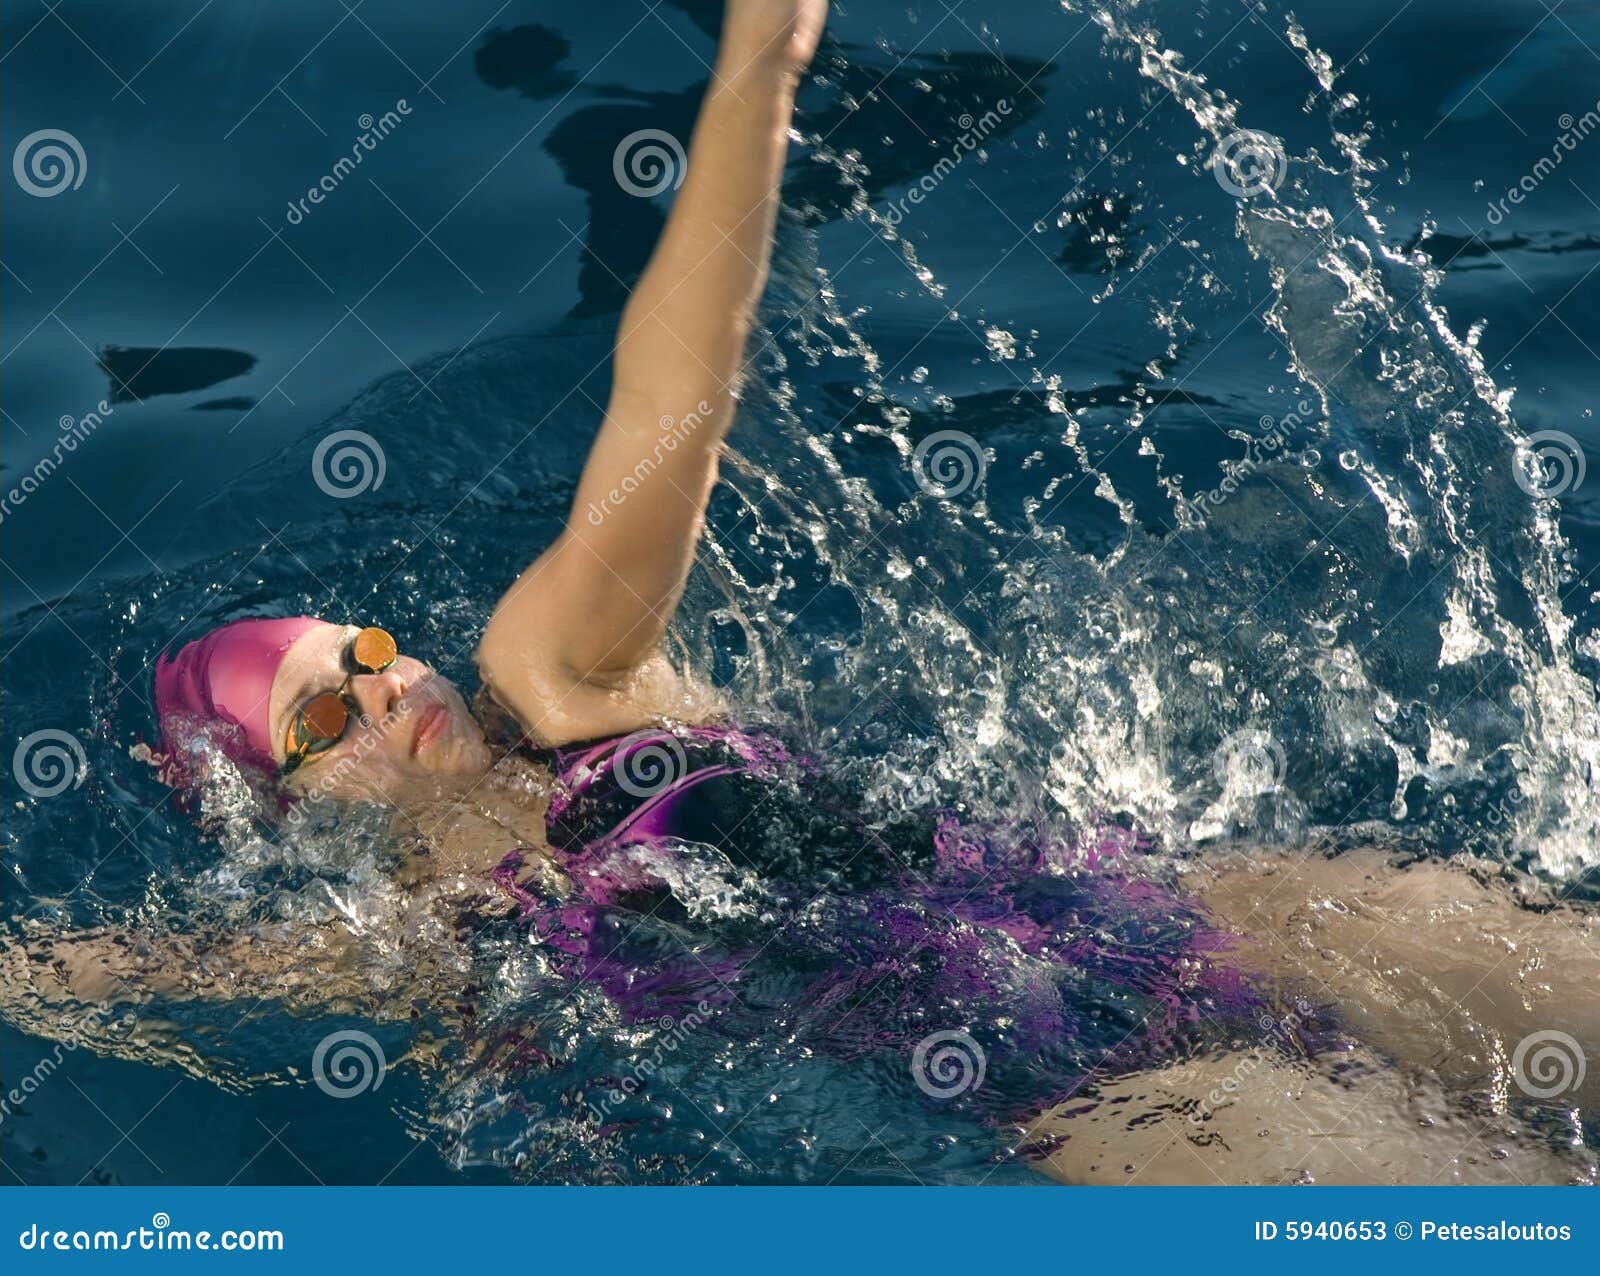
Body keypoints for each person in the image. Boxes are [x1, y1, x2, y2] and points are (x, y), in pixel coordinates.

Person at [4, 0, 1597, 1186]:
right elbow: (115, 980)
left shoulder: (568, 678)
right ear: (284, 807)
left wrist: (757, 70)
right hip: (1094, 1093)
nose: (388, 686)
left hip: (1205, 911)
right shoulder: (412, 945)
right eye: (325, 712)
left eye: (365, 648)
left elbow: (668, 407)